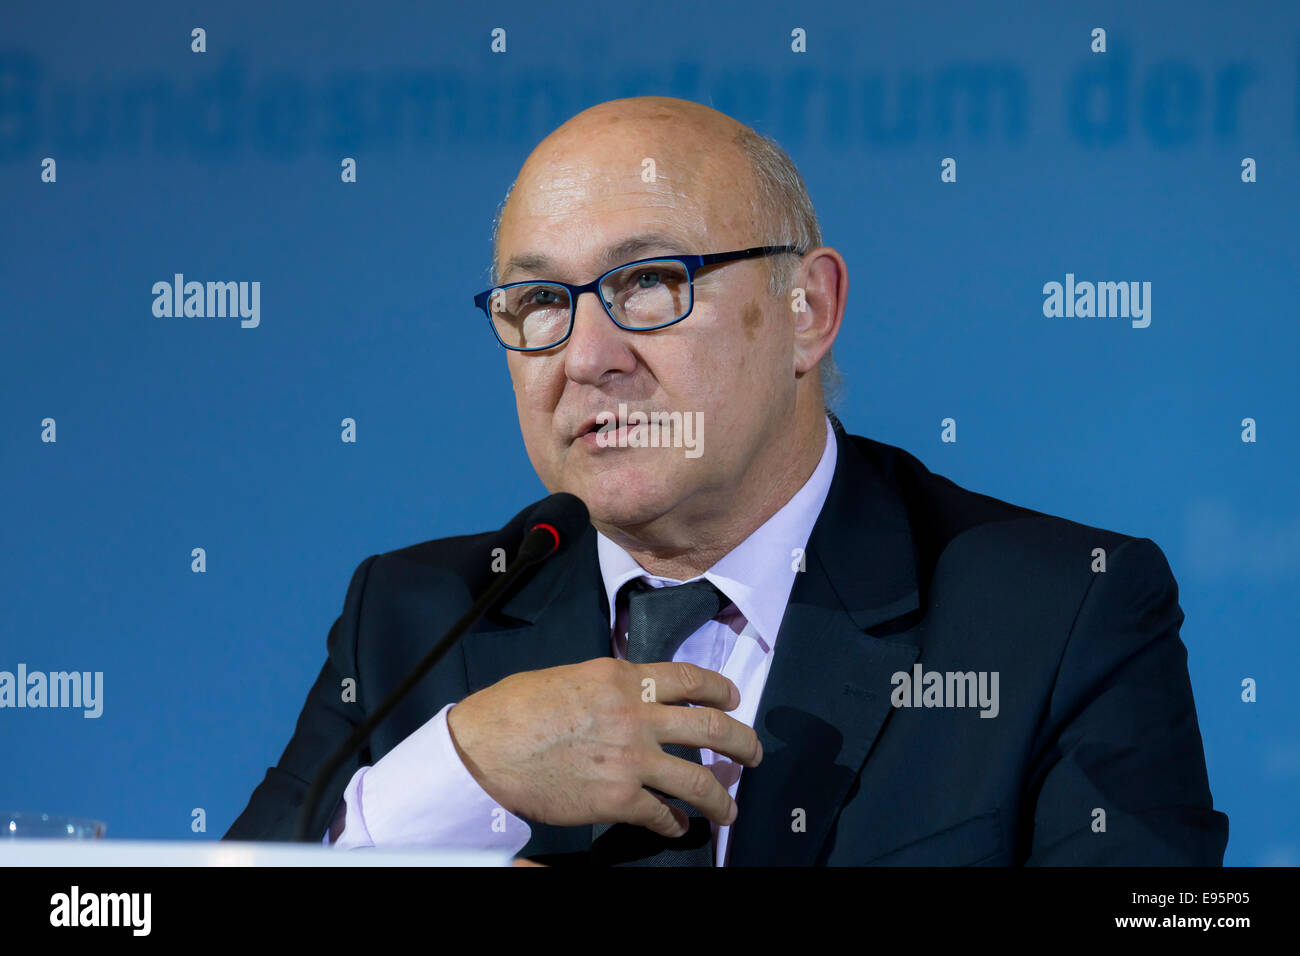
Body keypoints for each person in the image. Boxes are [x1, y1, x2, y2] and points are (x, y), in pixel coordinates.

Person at [224, 96, 1228, 865]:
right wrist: (457, 772)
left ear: (807, 307)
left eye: (649, 283)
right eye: (538, 300)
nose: (586, 355)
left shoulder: (1057, 610)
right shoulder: (417, 615)